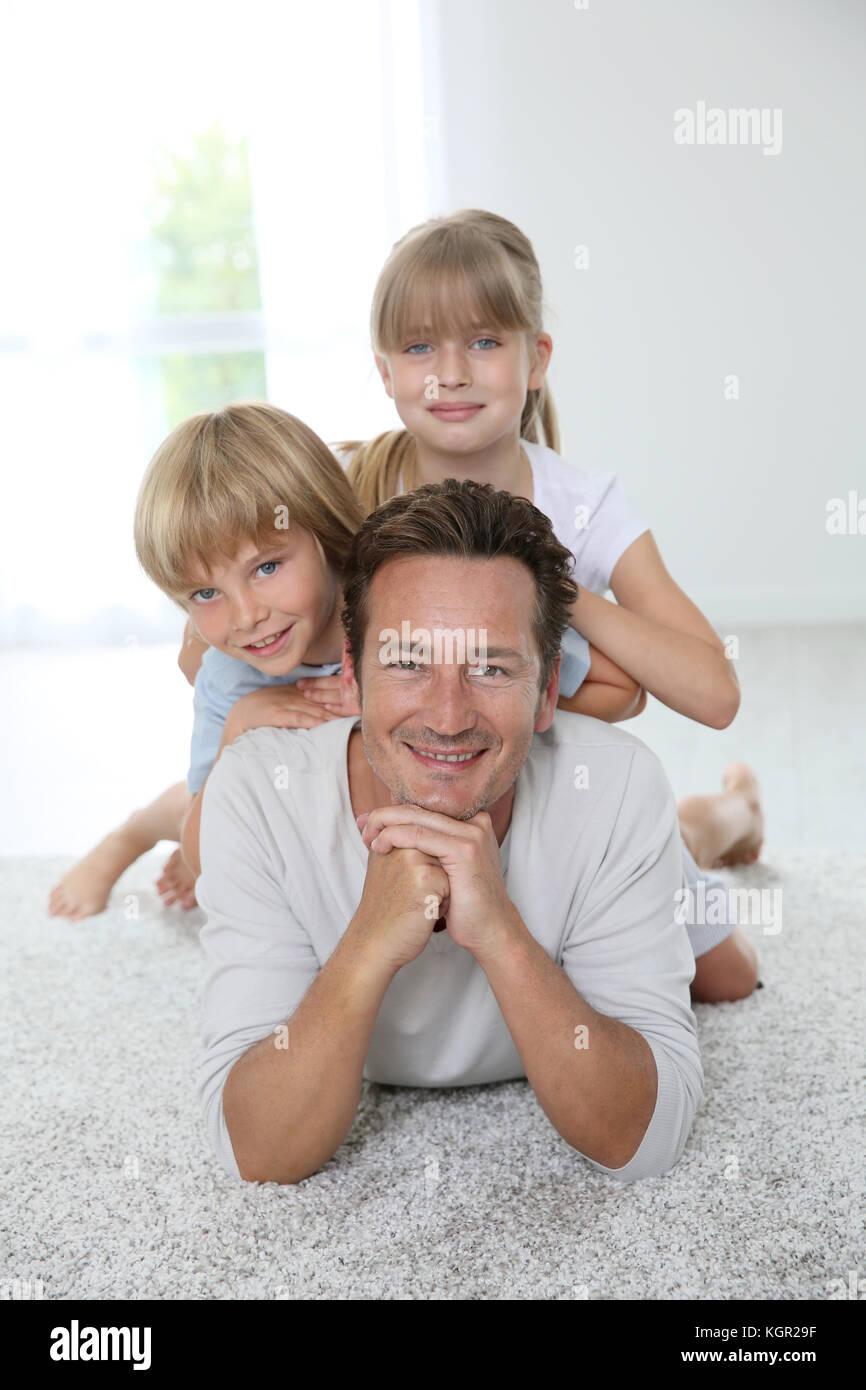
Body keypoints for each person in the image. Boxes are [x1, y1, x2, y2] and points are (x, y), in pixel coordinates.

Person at [307, 207, 762, 1002]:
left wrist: (550, 578)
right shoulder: (351, 488)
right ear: (385, 371)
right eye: (419, 347)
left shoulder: (587, 508)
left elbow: (715, 694)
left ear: (536, 357)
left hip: (567, 789)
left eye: (483, 342)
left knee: (727, 979)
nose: (449, 373)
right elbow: (219, 634)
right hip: (433, 772)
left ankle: (723, 816)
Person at [194, 478, 704, 1185]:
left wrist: (499, 931)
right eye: (407, 663)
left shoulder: (619, 785)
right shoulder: (255, 791)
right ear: (352, 674)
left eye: (491, 667)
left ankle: (723, 821)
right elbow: (258, 1150)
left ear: (549, 691)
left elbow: (644, 1140)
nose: (447, 716)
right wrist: (368, 944)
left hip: (634, 846)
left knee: (728, 971)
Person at [47, 403, 364, 922]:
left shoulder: (394, 617)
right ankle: (133, 833)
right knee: (215, 805)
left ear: (325, 532)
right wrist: (237, 729)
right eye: (205, 592)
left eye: (266, 566)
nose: (246, 616)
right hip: (270, 796)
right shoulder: (227, 674)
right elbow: (203, 851)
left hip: (333, 803)